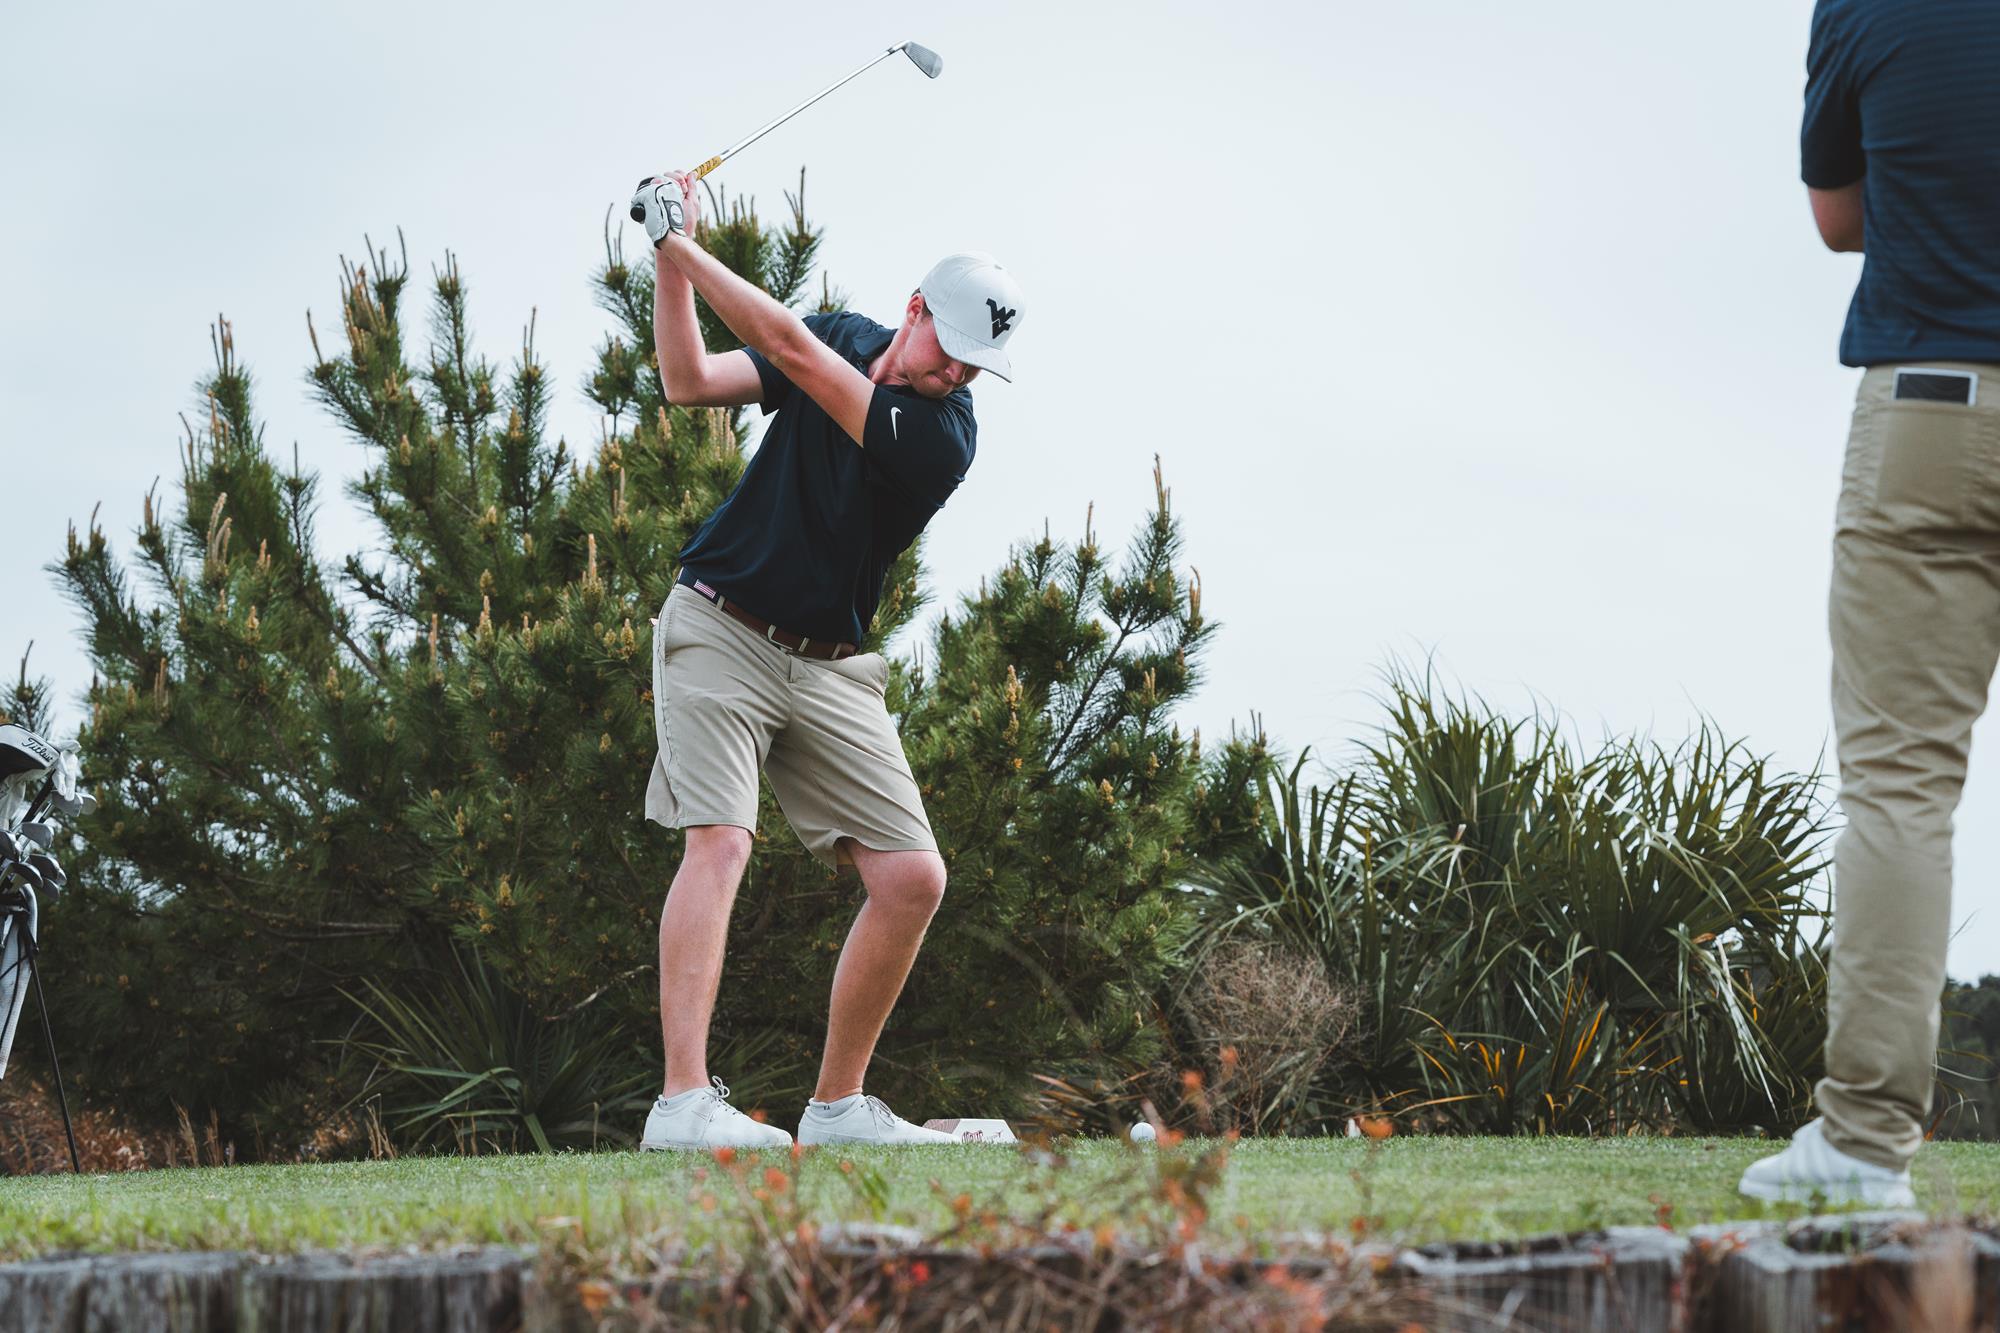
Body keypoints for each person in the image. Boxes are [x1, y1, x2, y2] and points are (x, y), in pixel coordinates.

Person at [624, 171, 1025, 1150]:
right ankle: (681, 1104)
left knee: (913, 878)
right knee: (718, 839)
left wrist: (681, 243)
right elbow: (689, 381)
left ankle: (838, 1109)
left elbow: (790, 352)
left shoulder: (940, 439)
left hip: (830, 665)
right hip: (718, 626)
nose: (956, 376)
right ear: (914, 308)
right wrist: (667, 268)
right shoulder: (846, 336)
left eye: (977, 367)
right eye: (950, 351)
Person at [1740, 0, 2000, 1206]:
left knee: (1900, 784)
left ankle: (1857, 1153)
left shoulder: (1865, 4)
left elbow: (1837, 218)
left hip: (1929, 410)